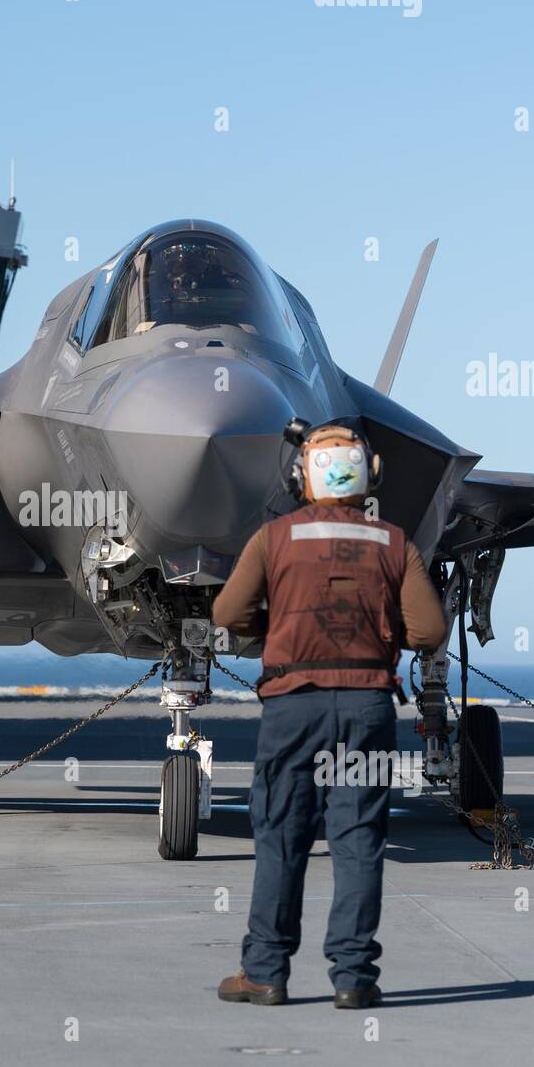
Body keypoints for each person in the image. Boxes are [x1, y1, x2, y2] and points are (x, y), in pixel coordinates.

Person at [211, 421, 447, 1010]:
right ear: (370, 475)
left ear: (300, 478)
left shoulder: (275, 538)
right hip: (367, 709)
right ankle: (354, 978)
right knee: (359, 838)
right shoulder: (394, 543)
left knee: (282, 836)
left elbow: (227, 611)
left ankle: (264, 974)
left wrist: (280, 629)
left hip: (294, 707)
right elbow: (429, 631)